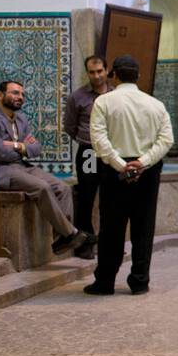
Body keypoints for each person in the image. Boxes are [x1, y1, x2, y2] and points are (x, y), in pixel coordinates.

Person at [84, 55, 174, 295]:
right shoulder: (156, 105)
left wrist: (119, 164)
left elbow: (98, 139)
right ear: (139, 76)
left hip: (114, 172)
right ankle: (140, 281)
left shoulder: (104, 102)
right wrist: (142, 163)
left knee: (111, 229)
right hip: (148, 172)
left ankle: (105, 282)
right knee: (143, 227)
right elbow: (166, 140)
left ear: (113, 75)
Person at [0, 79, 88, 254]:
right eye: (15, 93)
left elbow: (36, 148)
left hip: (20, 166)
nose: (20, 97)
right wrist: (23, 147)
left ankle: (62, 237)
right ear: (0, 95)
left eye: (22, 94)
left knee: (62, 188)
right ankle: (70, 233)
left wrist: (16, 145)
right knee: (42, 187)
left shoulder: (21, 119)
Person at [63, 55, 110, 259]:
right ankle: (86, 243)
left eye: (100, 71)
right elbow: (70, 127)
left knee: (110, 199)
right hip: (90, 153)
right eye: (92, 72)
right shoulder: (78, 97)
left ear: (106, 71)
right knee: (86, 197)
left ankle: (109, 242)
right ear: (87, 73)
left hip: (110, 155)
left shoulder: (116, 95)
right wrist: (87, 140)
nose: (97, 76)